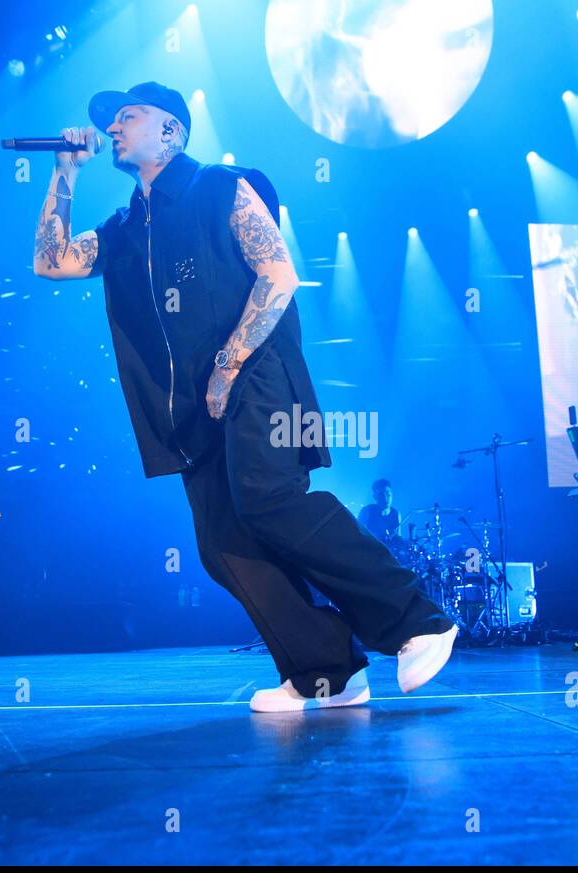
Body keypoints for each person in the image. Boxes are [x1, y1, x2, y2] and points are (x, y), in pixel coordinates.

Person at [32, 81, 456, 712]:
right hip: (189, 409)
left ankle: (418, 620)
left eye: (129, 116)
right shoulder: (125, 226)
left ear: (171, 130)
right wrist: (64, 173)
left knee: (270, 499)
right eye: (111, 122)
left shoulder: (222, 186)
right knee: (221, 544)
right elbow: (51, 261)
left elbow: (279, 275)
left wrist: (229, 365)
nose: (114, 128)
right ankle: (327, 673)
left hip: (258, 376)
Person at [358, 479, 401, 543]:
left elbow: (398, 536)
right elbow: (357, 533)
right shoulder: (367, 511)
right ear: (374, 497)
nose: (386, 499)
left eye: (388, 494)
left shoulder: (396, 514)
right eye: (381, 495)